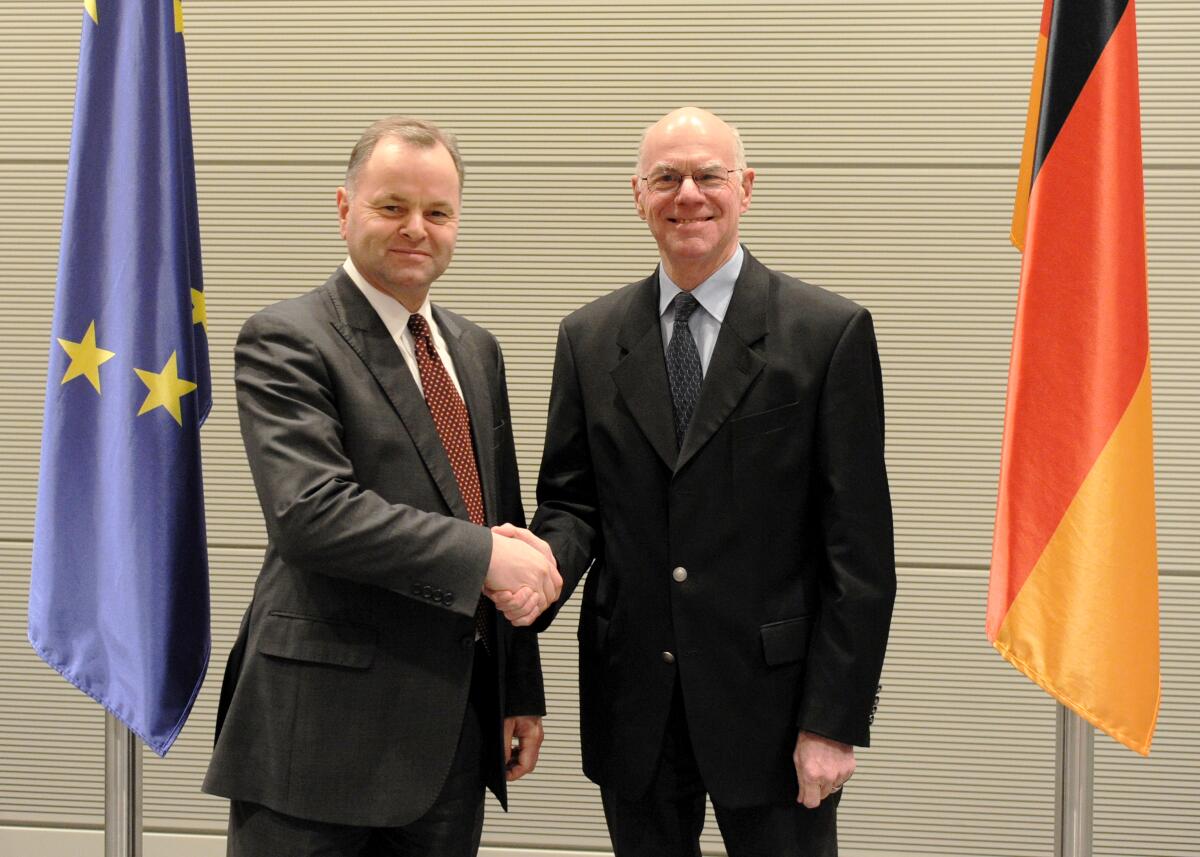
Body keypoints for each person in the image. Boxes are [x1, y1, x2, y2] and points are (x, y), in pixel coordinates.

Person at [501, 106, 896, 856]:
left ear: (746, 187)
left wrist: (835, 718)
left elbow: (860, 553)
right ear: (637, 193)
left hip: (778, 711)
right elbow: (572, 503)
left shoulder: (826, 332)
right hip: (635, 704)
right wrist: (539, 572)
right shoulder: (588, 338)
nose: (689, 194)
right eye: (667, 178)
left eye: (709, 175)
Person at [203, 116, 561, 857]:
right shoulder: (288, 337)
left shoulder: (474, 349)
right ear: (344, 208)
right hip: (316, 743)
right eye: (391, 206)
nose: (415, 230)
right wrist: (487, 558)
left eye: (437, 212)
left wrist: (518, 689)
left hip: (450, 740)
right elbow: (312, 513)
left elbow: (499, 519)